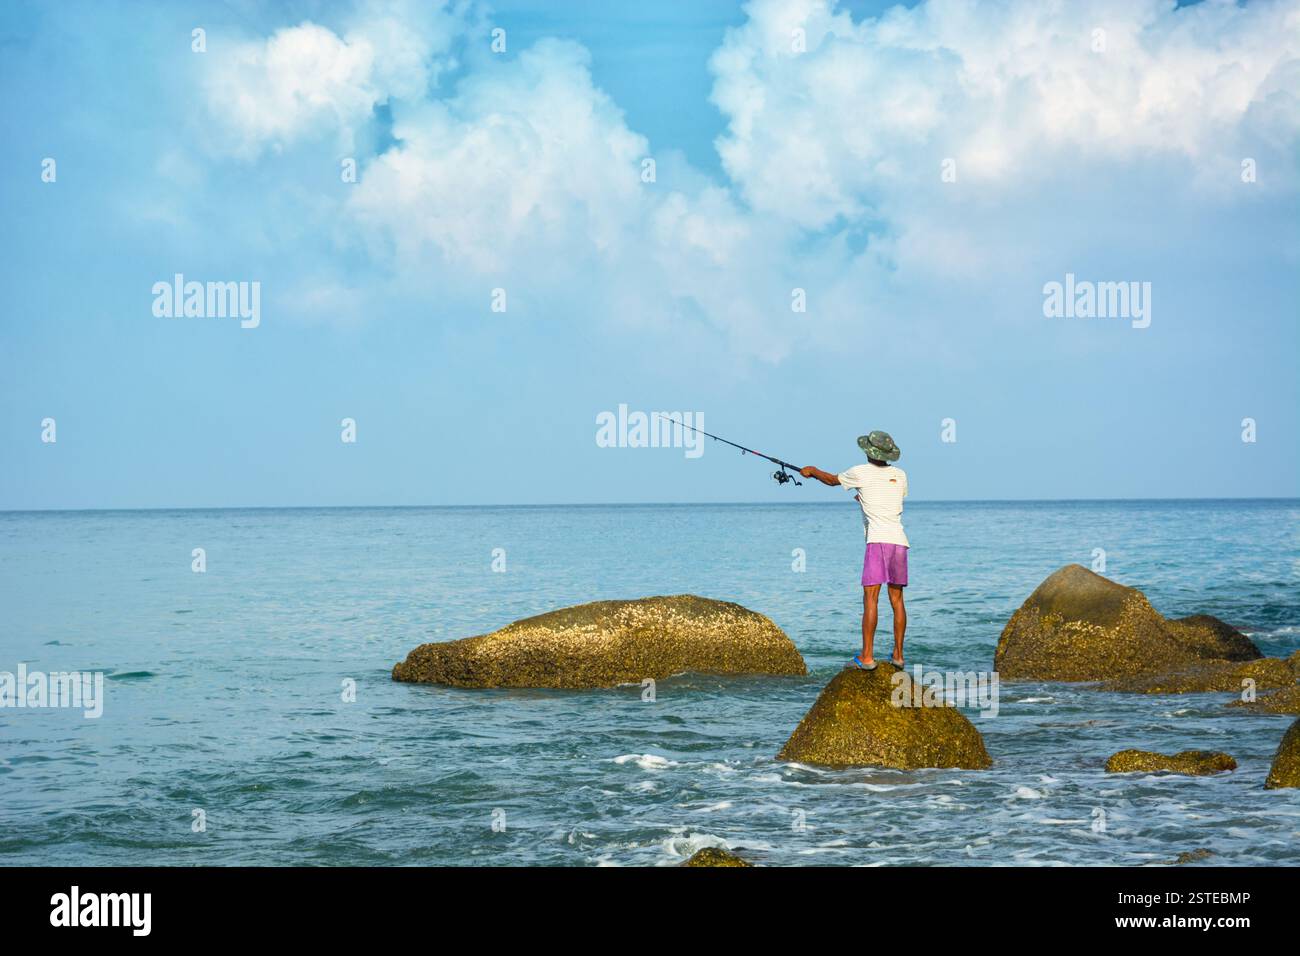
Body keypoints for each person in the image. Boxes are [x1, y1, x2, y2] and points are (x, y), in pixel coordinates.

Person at [801, 431, 908, 671]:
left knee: (871, 598)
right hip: (899, 542)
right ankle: (899, 656)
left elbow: (830, 480)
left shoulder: (859, 472)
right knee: (897, 600)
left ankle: (867, 657)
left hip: (877, 542)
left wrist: (812, 470)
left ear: (869, 451)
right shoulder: (899, 475)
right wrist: (864, 500)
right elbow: (891, 502)